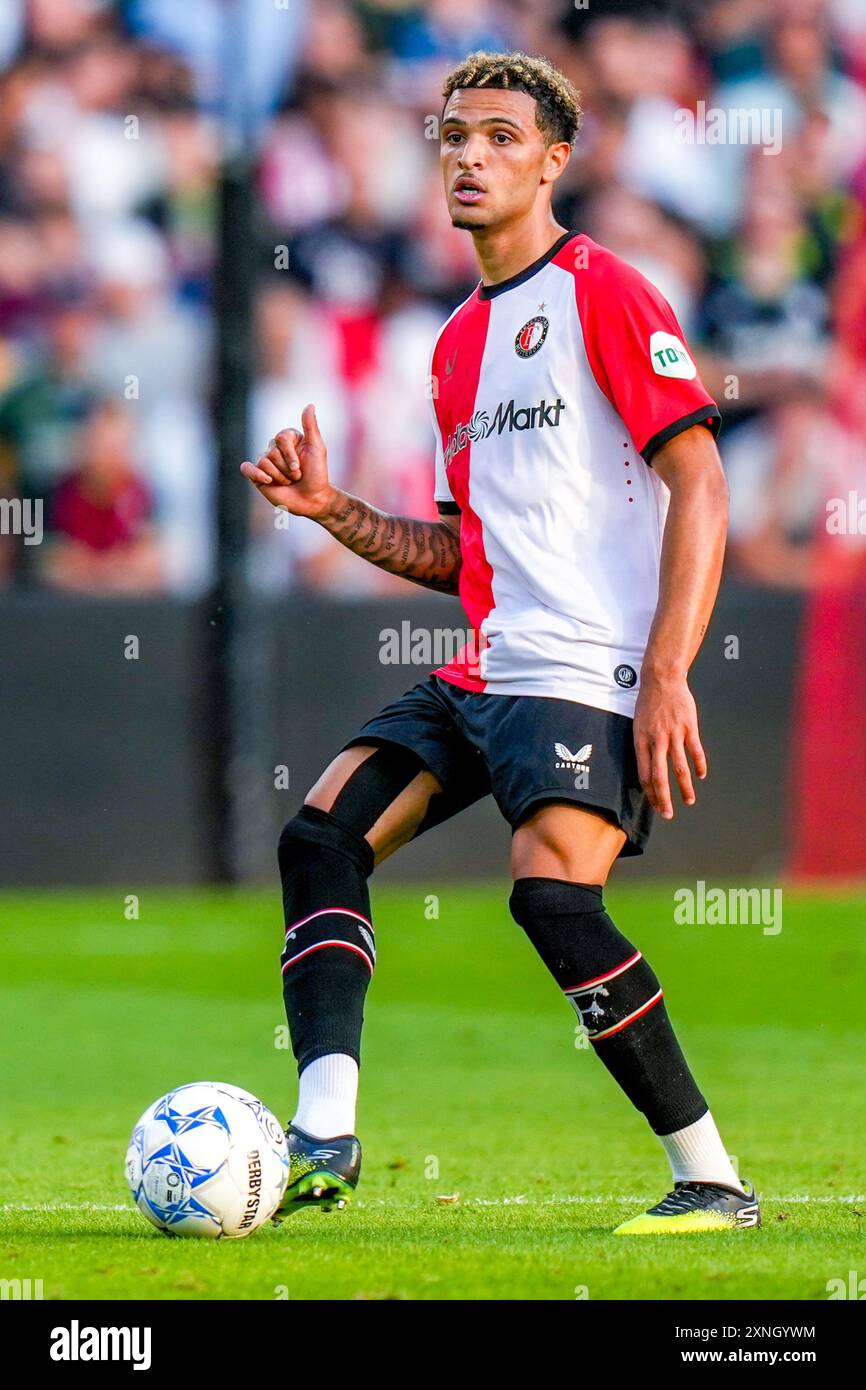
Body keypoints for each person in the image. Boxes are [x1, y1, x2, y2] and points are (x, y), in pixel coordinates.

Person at [242, 52, 759, 1236]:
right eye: (452, 136)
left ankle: (713, 1178)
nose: (468, 155)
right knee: (319, 835)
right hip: (489, 662)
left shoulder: (606, 292)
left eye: (497, 137)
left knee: (550, 902)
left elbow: (701, 481)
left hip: (588, 665)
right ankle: (324, 1127)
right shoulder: (455, 343)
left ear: (550, 160)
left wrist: (668, 668)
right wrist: (332, 512)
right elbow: (451, 551)